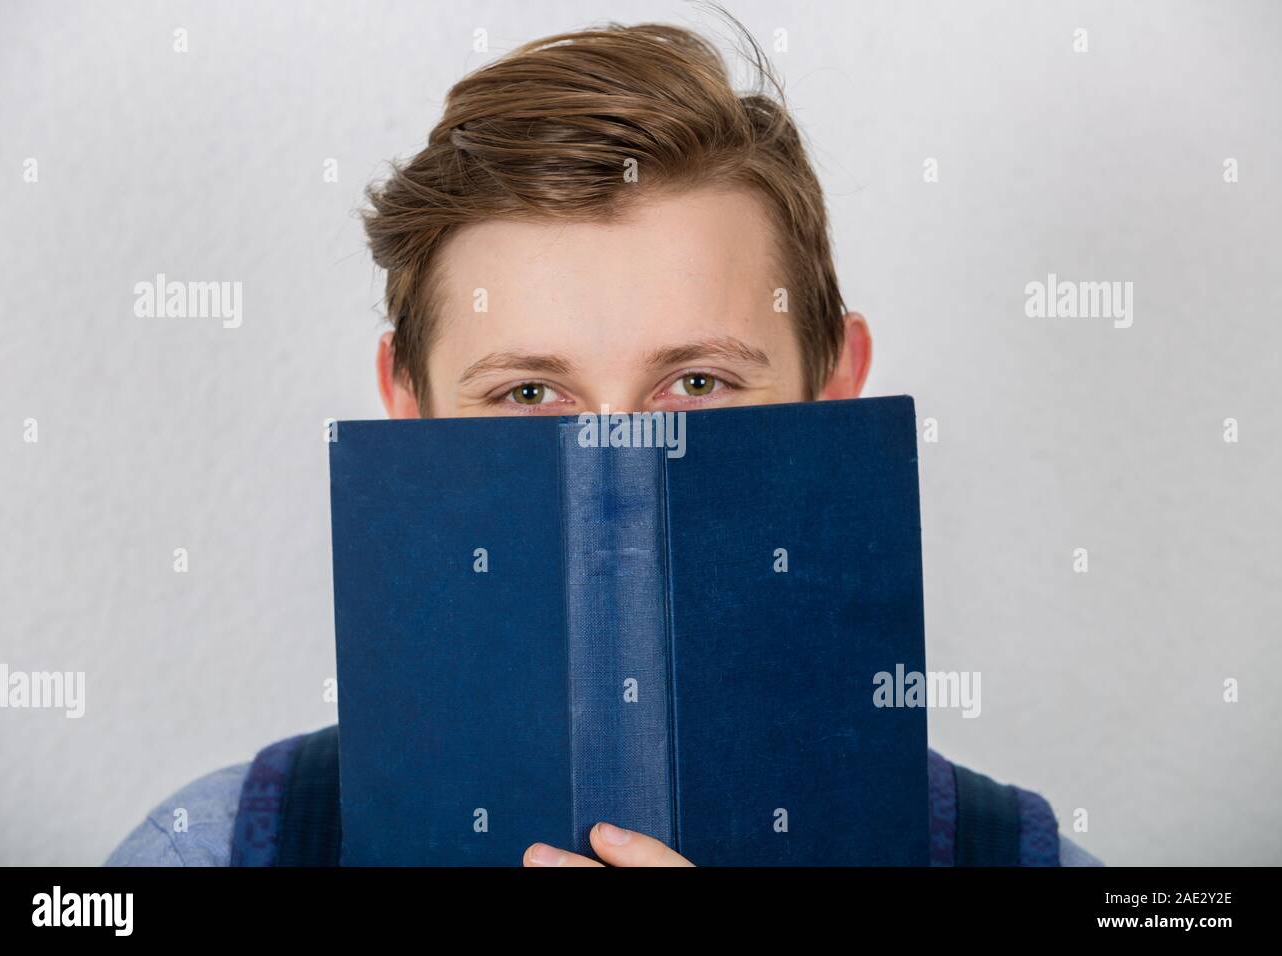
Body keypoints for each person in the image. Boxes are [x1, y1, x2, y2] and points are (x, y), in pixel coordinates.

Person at [105, 15, 1102, 868]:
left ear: (834, 390)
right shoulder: (209, 849)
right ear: (406, 407)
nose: (623, 477)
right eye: (528, 389)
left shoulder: (1024, 855)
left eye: (698, 381)